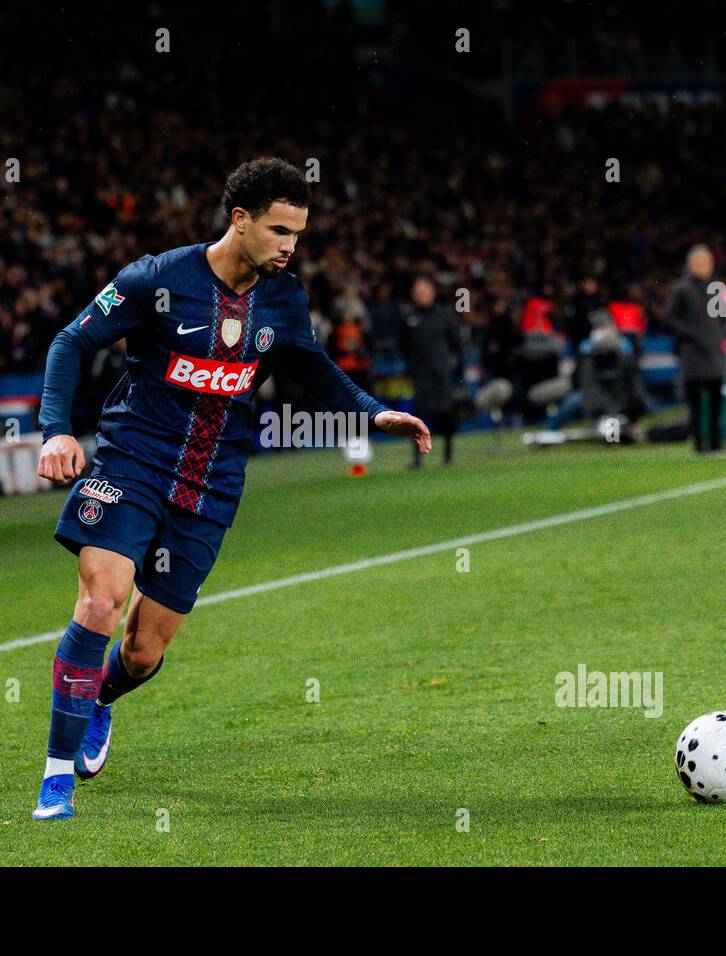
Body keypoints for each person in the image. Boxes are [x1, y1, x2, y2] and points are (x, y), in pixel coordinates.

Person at [30, 157, 430, 820]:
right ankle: (54, 780)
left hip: (212, 484)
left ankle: (99, 701)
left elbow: (312, 367)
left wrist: (372, 410)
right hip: (131, 463)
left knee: (143, 648)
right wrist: (55, 430)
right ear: (238, 218)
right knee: (101, 604)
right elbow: (70, 341)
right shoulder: (156, 279)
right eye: (278, 230)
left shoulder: (283, 298)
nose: (288, 246)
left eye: (297, 235)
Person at [661, 245, 726, 454]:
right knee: (697, 405)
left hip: (714, 354)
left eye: (707, 263)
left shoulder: (715, 287)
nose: (704, 267)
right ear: (691, 265)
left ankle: (717, 443)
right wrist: (691, 334)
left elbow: (721, 318)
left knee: (716, 403)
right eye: (699, 263)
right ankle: (699, 445)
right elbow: (669, 319)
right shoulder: (682, 289)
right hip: (693, 356)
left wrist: (718, 337)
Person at [399, 277, 462, 466]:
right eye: (418, 293)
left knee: (445, 412)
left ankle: (448, 455)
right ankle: (417, 457)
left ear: (432, 293)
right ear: (413, 295)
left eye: (425, 291)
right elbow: (403, 345)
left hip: (441, 373)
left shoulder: (444, 314)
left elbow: (455, 342)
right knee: (418, 415)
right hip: (420, 374)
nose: (422, 295)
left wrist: (445, 363)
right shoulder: (409, 317)